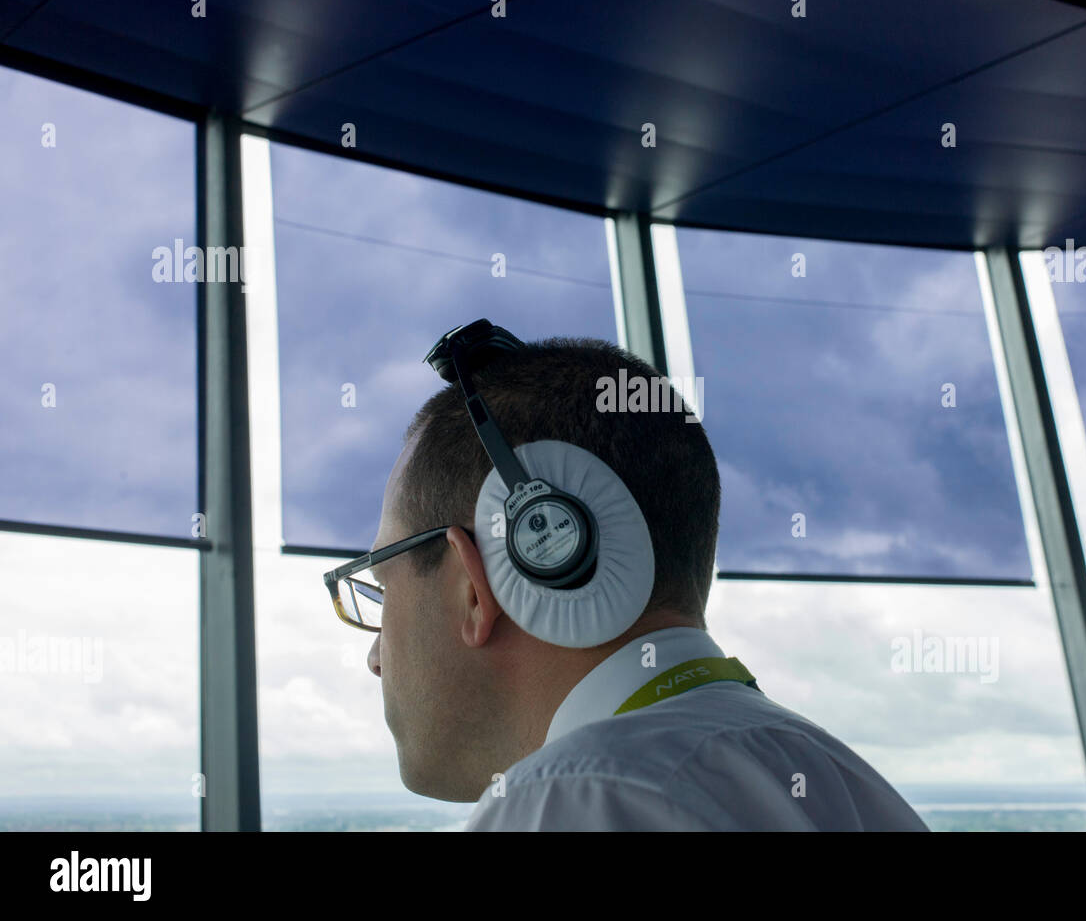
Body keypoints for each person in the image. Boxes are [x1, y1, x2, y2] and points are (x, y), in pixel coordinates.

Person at [358, 331, 928, 831]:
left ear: (474, 586)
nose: (376, 657)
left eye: (384, 587)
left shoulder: (573, 799)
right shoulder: (842, 779)